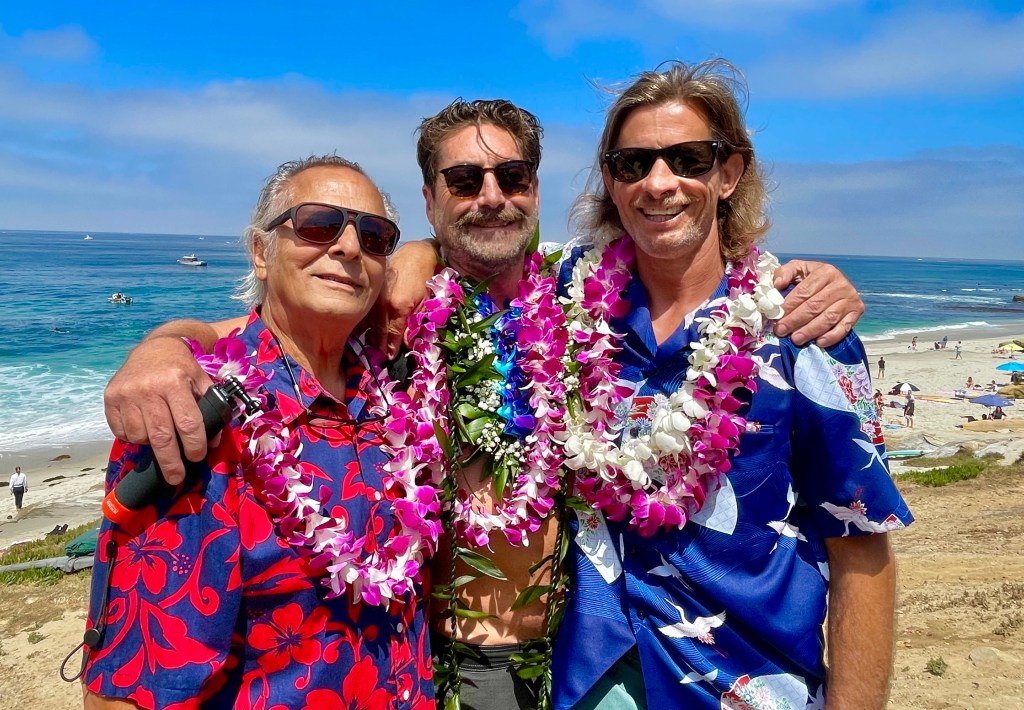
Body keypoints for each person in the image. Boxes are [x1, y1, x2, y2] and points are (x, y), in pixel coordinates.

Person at [100, 104, 867, 707]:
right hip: (449, 663)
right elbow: (263, 334)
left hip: (578, 654)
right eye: (464, 182)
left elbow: (696, 279)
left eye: (513, 178)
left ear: (536, 191)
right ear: (432, 202)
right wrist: (167, 345)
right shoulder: (389, 315)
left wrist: (812, 286)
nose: (491, 197)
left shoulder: (581, 303)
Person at [549, 59, 912, 709]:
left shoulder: (800, 332)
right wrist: (410, 253)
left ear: (728, 173)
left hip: (746, 686)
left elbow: (861, 549)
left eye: (687, 158)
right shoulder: (566, 315)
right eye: (634, 164)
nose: (660, 182)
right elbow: (473, 255)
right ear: (611, 180)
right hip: (592, 684)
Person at [81, 155, 434, 708]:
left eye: (374, 235)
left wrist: (422, 249)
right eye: (318, 223)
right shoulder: (192, 412)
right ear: (260, 252)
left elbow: (476, 244)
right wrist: (164, 342)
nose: (346, 247)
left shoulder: (392, 391)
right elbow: (136, 686)